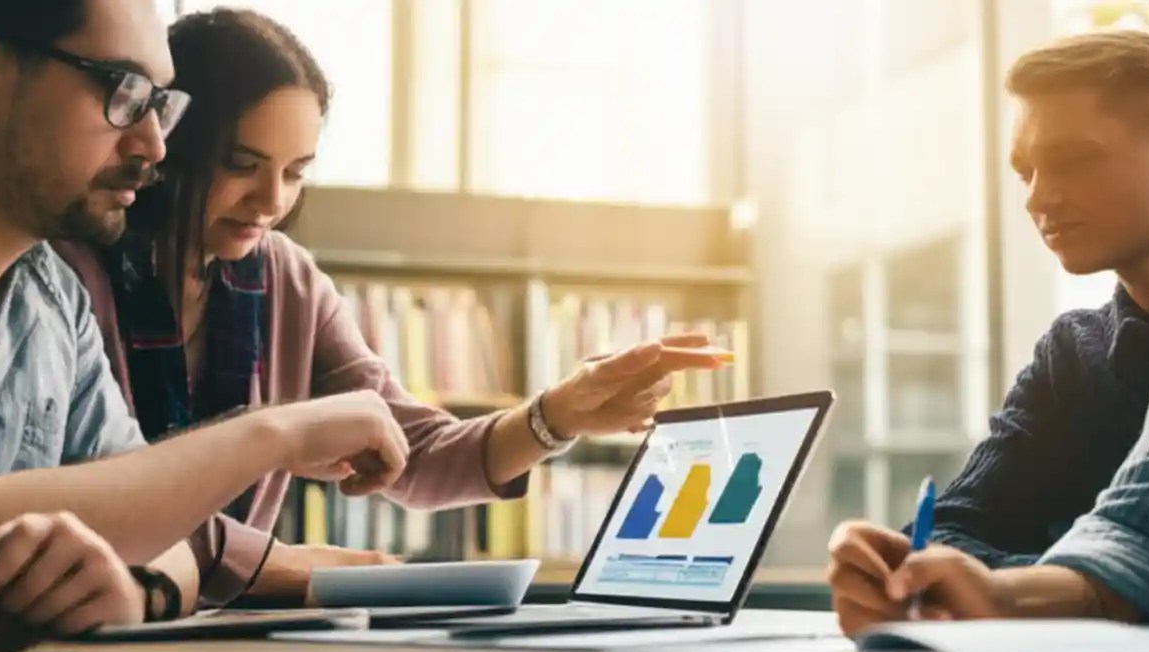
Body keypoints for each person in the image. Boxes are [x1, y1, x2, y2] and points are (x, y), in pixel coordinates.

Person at [51, 8, 725, 607]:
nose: (272, 201)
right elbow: (95, 493)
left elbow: (412, 450)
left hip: (211, 633)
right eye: (241, 163)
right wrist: (272, 563)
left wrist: (557, 415)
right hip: (87, 634)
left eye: (295, 172)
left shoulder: (287, 281)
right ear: (171, 140)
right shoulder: (68, 272)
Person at [0, 0, 435, 652]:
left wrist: (135, 593)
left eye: (160, 104)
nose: (156, 146)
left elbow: (172, 537)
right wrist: (278, 434)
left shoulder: (51, 299)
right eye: (123, 93)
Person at [832, 0, 1149, 635]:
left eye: (1075, 160)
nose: (1037, 198)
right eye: (1026, 172)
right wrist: (1016, 586)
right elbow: (951, 528)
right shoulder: (1073, 353)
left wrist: (1019, 584)